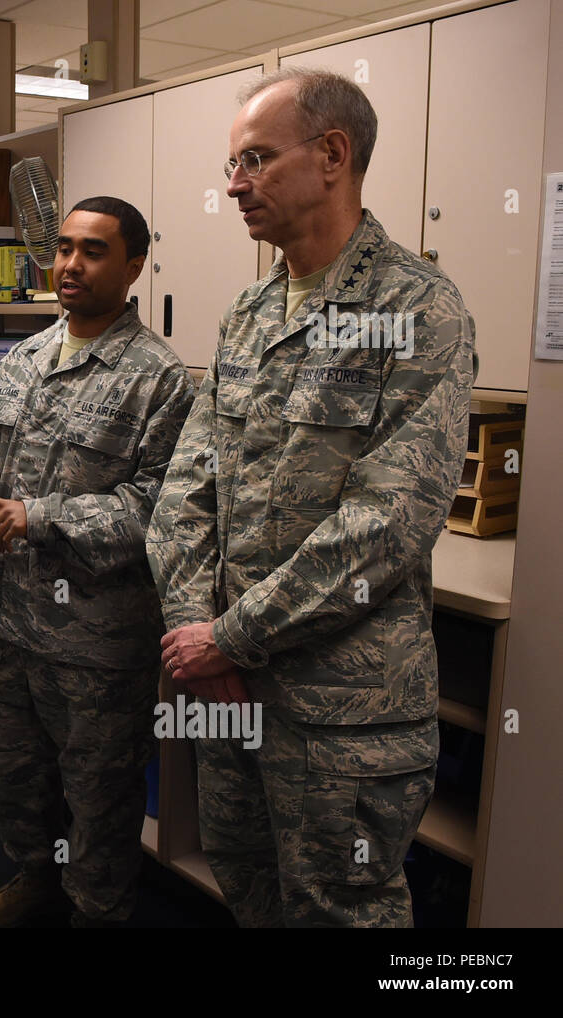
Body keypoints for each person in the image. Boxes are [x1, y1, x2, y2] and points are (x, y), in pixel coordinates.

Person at [146, 68, 477, 927]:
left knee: (341, 909)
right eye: (232, 163)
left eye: (254, 159)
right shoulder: (249, 313)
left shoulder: (418, 308)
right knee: (245, 880)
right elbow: (189, 484)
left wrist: (232, 637)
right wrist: (196, 635)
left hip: (339, 715)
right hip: (226, 689)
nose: (232, 184)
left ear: (332, 155)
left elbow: (388, 521)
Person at [0, 196, 195, 927]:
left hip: (93, 642)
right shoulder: (24, 357)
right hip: (6, 620)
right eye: (63, 249)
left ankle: (97, 911)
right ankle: (35, 877)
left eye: (92, 251)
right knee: (6, 775)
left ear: (134, 265)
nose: (70, 266)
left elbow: (159, 508)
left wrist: (40, 516)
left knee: (100, 796)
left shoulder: (161, 380)